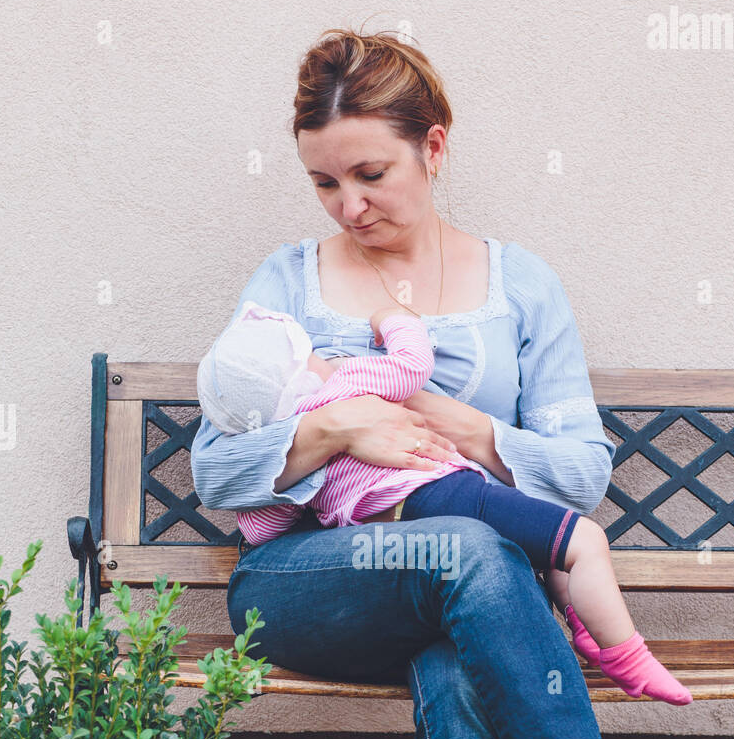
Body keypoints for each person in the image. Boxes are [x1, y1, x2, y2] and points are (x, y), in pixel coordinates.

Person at [190, 26, 734, 739]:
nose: (346, 204)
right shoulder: (284, 284)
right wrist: (334, 427)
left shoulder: (517, 284)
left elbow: (580, 470)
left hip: (462, 597)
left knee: (465, 648)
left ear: (433, 147)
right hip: (308, 583)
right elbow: (215, 467)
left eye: (370, 174)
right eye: (324, 182)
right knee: (474, 559)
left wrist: (462, 427)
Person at [198, 300, 692, 703]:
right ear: (300, 374)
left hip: (384, 538)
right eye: (310, 354)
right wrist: (394, 319)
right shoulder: (347, 385)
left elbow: (262, 530)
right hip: (442, 497)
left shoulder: (290, 441)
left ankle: (585, 629)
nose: (323, 358)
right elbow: (414, 366)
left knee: (546, 556)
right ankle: (627, 656)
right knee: (583, 540)